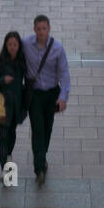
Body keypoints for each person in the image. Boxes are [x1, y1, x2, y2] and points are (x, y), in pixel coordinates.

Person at [22, 15, 70, 184]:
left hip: (51, 93)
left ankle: (42, 155)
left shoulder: (57, 48)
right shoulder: (26, 44)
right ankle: (39, 168)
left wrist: (63, 97)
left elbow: (64, 74)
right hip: (34, 94)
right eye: (38, 29)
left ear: (49, 29)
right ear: (34, 29)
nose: (41, 32)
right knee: (37, 129)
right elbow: (11, 53)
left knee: (48, 128)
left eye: (44, 28)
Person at [0, 31, 28, 179]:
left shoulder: (22, 60)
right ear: (6, 45)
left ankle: (9, 156)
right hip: (2, 105)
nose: (12, 47)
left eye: (15, 44)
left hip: (17, 105)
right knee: (3, 136)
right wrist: (2, 80)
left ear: (19, 46)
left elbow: (28, 78)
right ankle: (5, 170)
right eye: (10, 44)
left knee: (11, 134)